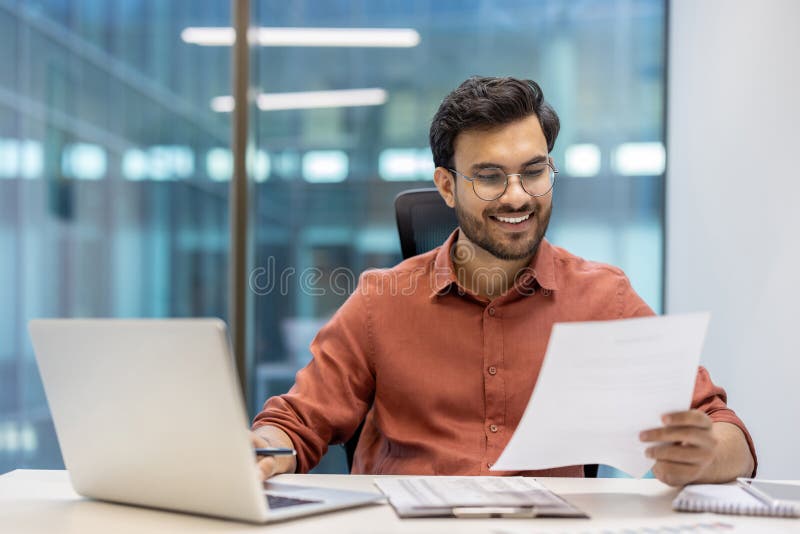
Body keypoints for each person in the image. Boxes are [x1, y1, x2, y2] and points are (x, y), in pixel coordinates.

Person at [251, 76, 756, 487]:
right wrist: (262, 453)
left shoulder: (604, 299)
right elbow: (296, 425)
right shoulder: (381, 300)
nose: (517, 196)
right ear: (447, 187)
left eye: (533, 171)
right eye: (490, 177)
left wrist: (705, 455)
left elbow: (725, 431)